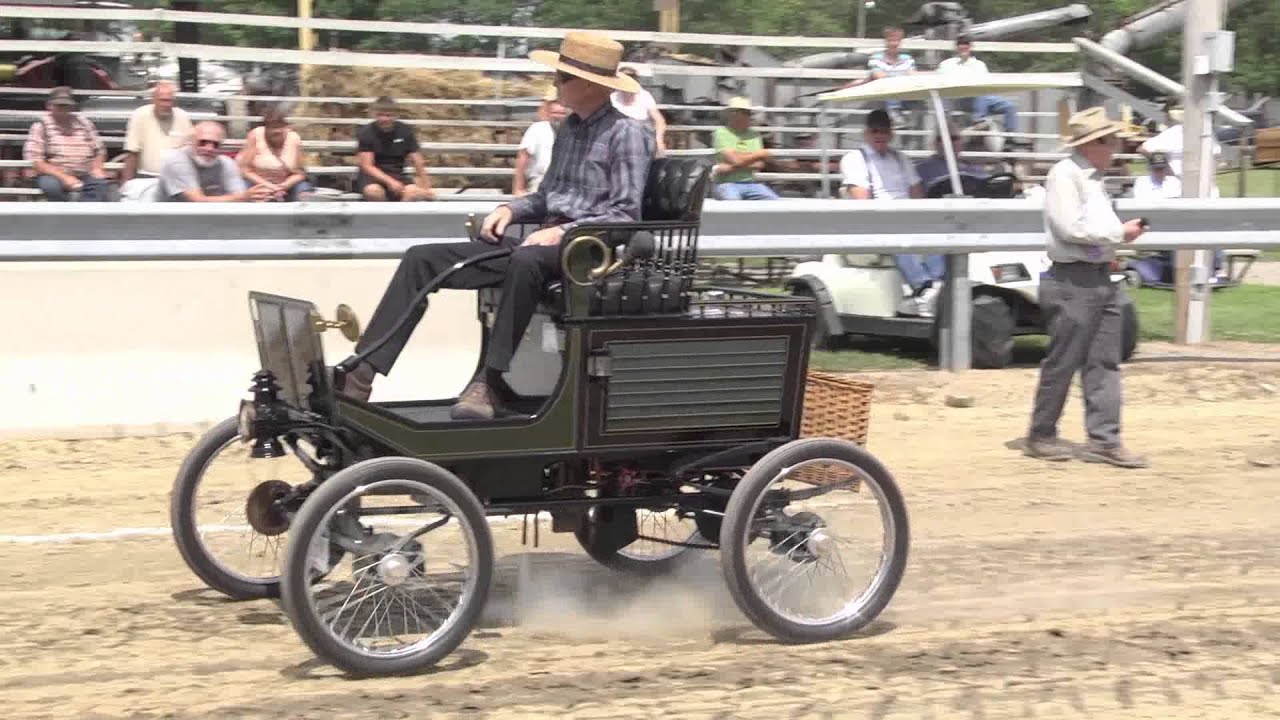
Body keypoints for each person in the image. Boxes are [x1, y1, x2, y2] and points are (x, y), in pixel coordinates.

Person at [338, 31, 655, 420]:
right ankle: (362, 372)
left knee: (526, 260)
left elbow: (624, 215)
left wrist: (563, 232)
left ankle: (489, 382)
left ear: (590, 84)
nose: (555, 83)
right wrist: (512, 209)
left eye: (563, 77)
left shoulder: (628, 133)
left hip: (587, 253)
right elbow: (547, 196)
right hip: (543, 244)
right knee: (422, 259)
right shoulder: (569, 130)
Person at [1024, 107, 1149, 468]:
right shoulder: (1065, 175)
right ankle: (1041, 434)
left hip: (1097, 276)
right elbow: (1070, 229)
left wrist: (1111, 248)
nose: (1115, 148)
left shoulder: (1092, 179)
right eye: (1110, 142)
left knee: (1104, 360)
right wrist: (1119, 233)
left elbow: (1085, 230)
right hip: (1072, 280)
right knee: (1064, 360)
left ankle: (1104, 440)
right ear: (1092, 143)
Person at [840, 110, 936, 316]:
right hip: (874, 219)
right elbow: (862, 201)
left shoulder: (900, 158)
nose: (880, 135)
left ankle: (938, 282)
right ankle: (924, 288)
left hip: (904, 216)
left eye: (884, 131)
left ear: (891, 134)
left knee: (940, 230)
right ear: (866, 133)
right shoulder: (855, 159)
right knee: (896, 231)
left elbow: (917, 193)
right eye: (875, 131)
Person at [23, 86, 111, 202]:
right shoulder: (40, 126)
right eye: (59, 105)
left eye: (66, 106)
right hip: (53, 174)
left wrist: (97, 167)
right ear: (49, 106)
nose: (63, 109)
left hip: (85, 172)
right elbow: (36, 160)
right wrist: (65, 177)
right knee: (51, 187)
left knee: (100, 184)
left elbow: (99, 150)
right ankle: (62, 212)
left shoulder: (84, 123)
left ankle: (85, 211)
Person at [157, 121, 275, 203]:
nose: (209, 148)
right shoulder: (177, 160)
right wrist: (244, 197)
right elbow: (197, 201)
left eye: (215, 144)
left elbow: (239, 196)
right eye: (203, 142)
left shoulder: (226, 163)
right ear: (192, 142)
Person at [355, 96, 437, 202]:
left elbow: (418, 161)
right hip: (372, 177)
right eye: (380, 115)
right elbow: (367, 166)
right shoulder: (366, 132)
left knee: (412, 192)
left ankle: (401, 212)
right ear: (374, 114)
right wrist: (390, 182)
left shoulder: (405, 131)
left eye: (388, 115)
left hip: (397, 174)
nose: (384, 119)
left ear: (396, 115)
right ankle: (384, 212)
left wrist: (427, 187)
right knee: (373, 191)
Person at [937, 36, 1019, 132]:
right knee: (979, 91)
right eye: (960, 44)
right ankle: (978, 120)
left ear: (970, 46)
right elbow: (939, 81)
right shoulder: (947, 65)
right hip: (960, 98)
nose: (963, 46)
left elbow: (987, 83)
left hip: (982, 97)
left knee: (1009, 106)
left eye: (966, 44)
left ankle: (1009, 135)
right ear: (956, 47)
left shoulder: (979, 64)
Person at [120, 81, 194, 183]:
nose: (166, 104)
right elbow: (132, 152)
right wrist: (126, 183)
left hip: (175, 177)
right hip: (146, 176)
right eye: (162, 100)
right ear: (153, 100)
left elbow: (190, 151)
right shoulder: (140, 115)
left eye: (169, 100)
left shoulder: (183, 117)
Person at [236, 106, 314, 202]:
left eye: (280, 127)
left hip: (286, 184)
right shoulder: (255, 135)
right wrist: (269, 186)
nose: (277, 131)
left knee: (304, 191)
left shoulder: (293, 138)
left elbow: (300, 173)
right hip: (258, 182)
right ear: (266, 128)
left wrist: (283, 186)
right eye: (273, 127)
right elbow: (245, 170)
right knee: (245, 191)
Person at [711, 97, 777, 200]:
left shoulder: (754, 134)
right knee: (733, 202)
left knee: (774, 201)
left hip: (750, 183)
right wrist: (760, 154)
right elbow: (737, 160)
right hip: (726, 183)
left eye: (749, 113)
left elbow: (759, 164)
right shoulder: (721, 133)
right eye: (746, 113)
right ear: (734, 114)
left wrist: (728, 166)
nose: (750, 117)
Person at [513, 86, 566, 196]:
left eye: (561, 113)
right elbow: (523, 157)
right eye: (555, 112)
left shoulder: (576, 131)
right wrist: (518, 188)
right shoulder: (537, 129)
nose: (558, 116)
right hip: (540, 184)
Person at [915, 123, 987, 193]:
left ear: (962, 142)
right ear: (934, 143)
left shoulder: (975, 169)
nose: (947, 142)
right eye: (941, 138)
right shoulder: (921, 169)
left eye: (953, 138)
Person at [611, 65, 667, 154]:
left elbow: (659, 120)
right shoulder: (613, 97)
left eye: (631, 77)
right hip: (619, 137)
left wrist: (659, 139)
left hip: (641, 136)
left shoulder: (644, 96)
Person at [867, 27, 918, 125]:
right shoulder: (876, 58)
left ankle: (911, 119)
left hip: (905, 91)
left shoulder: (907, 58)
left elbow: (913, 75)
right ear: (885, 41)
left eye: (897, 40)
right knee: (890, 84)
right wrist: (901, 75)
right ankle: (894, 113)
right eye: (891, 40)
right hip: (884, 93)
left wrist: (894, 75)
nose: (894, 44)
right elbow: (879, 76)